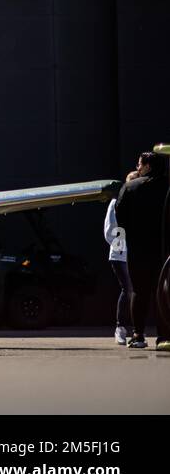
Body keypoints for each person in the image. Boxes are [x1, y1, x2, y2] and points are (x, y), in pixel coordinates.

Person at [114, 149, 170, 350]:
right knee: (164, 292)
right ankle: (165, 335)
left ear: (147, 166)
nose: (137, 168)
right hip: (165, 251)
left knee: (139, 291)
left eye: (139, 164)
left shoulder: (130, 188)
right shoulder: (167, 188)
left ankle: (138, 335)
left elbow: (121, 218)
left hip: (139, 248)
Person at [104, 196, 133, 345]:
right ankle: (120, 328)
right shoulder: (116, 203)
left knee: (136, 291)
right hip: (120, 256)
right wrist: (121, 249)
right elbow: (109, 231)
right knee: (127, 289)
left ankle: (137, 330)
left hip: (136, 254)